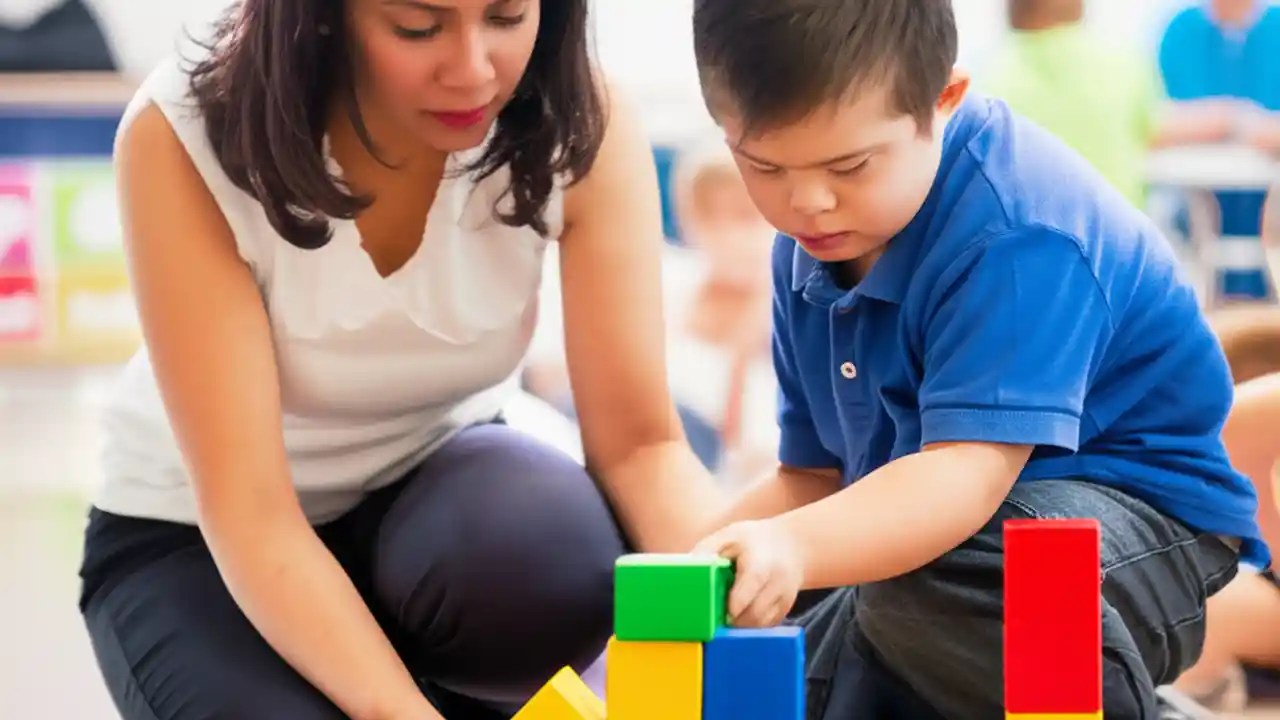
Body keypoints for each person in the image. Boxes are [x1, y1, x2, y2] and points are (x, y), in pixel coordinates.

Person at [78, 1, 726, 719]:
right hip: (203, 539)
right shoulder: (185, 133)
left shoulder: (580, 119)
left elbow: (640, 446)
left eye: (508, 17)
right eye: (419, 27)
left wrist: (751, 593)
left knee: (552, 556)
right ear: (323, 17)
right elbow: (251, 513)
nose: (474, 70)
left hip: (436, 500)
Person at [685, 1, 1265, 718]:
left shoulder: (1018, 229)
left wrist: (796, 547)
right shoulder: (810, 245)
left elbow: (961, 479)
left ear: (945, 99)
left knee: (947, 580)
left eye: (851, 165)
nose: (807, 202)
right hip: (942, 535)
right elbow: (813, 477)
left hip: (1128, 523)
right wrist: (697, 573)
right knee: (791, 664)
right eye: (762, 164)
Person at [525, 137, 780, 484]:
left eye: (747, 217)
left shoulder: (792, 319)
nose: (730, 236)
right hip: (591, 432)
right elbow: (557, 368)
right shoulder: (665, 281)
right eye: (711, 218)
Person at [978, 0, 1160, 208]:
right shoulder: (1123, 62)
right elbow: (1152, 132)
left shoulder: (990, 73)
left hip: (1028, 232)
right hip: (1117, 229)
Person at [1158, 0, 1280, 301]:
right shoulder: (1182, 31)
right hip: (1197, 200)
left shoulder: (1272, 29)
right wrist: (1235, 119)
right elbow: (1161, 120)